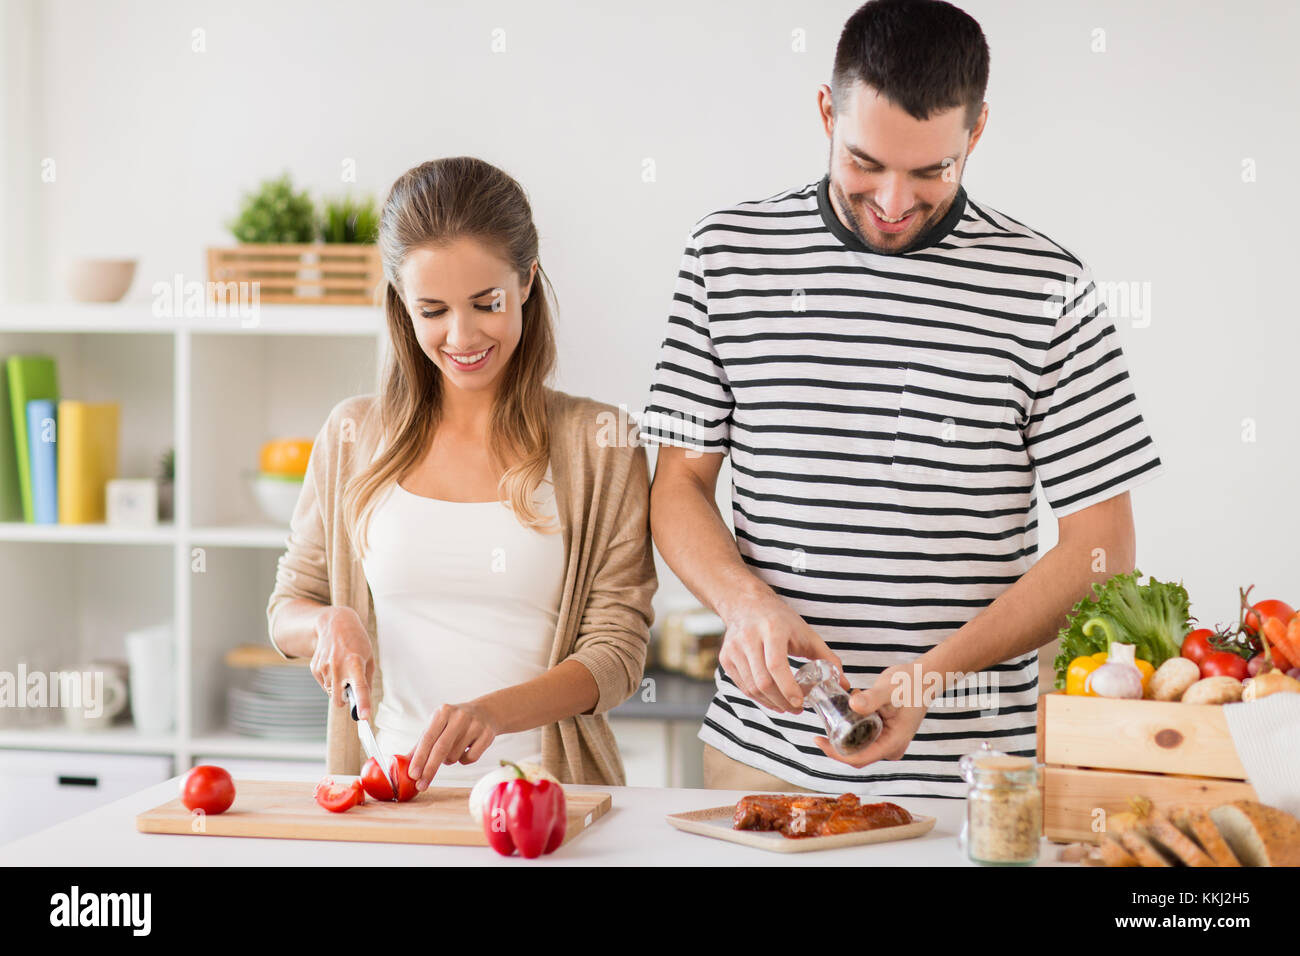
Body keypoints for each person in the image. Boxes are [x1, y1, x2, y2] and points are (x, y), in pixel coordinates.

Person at [640, 0, 1163, 798]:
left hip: (979, 784)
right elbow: (678, 484)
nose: (892, 202)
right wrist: (743, 603)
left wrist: (929, 678)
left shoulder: (1049, 287)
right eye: (865, 162)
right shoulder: (727, 257)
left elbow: (1103, 548)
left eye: (930, 172)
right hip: (761, 766)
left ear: (976, 131)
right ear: (827, 112)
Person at [267, 156, 657, 789]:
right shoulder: (352, 435)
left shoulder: (601, 443)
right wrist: (328, 623)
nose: (462, 335)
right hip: (389, 799)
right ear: (402, 303)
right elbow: (288, 607)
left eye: (486, 303)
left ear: (527, 281)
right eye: (433, 310)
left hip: (548, 801)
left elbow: (618, 654)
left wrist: (492, 714)